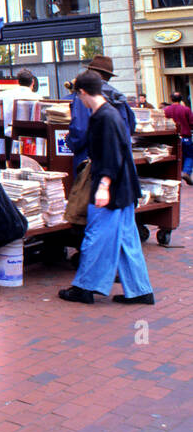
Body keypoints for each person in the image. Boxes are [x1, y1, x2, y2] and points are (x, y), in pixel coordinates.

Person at [59, 70, 155, 306]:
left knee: (95, 235)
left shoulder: (102, 117)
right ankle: (140, 289)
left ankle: (84, 287)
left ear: (82, 92)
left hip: (111, 188)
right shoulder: (111, 113)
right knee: (126, 238)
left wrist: (103, 186)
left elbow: (110, 156)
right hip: (125, 188)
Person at [66, 55, 134, 167]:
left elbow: (80, 131)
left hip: (92, 160)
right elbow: (131, 126)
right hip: (121, 160)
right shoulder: (120, 98)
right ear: (109, 77)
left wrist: (68, 141)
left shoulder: (86, 95)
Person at [162, 92, 193, 185]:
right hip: (185, 136)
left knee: (176, 157)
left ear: (171, 99)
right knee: (189, 155)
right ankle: (186, 172)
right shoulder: (186, 109)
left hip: (172, 138)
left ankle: (176, 177)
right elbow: (192, 122)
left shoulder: (166, 110)